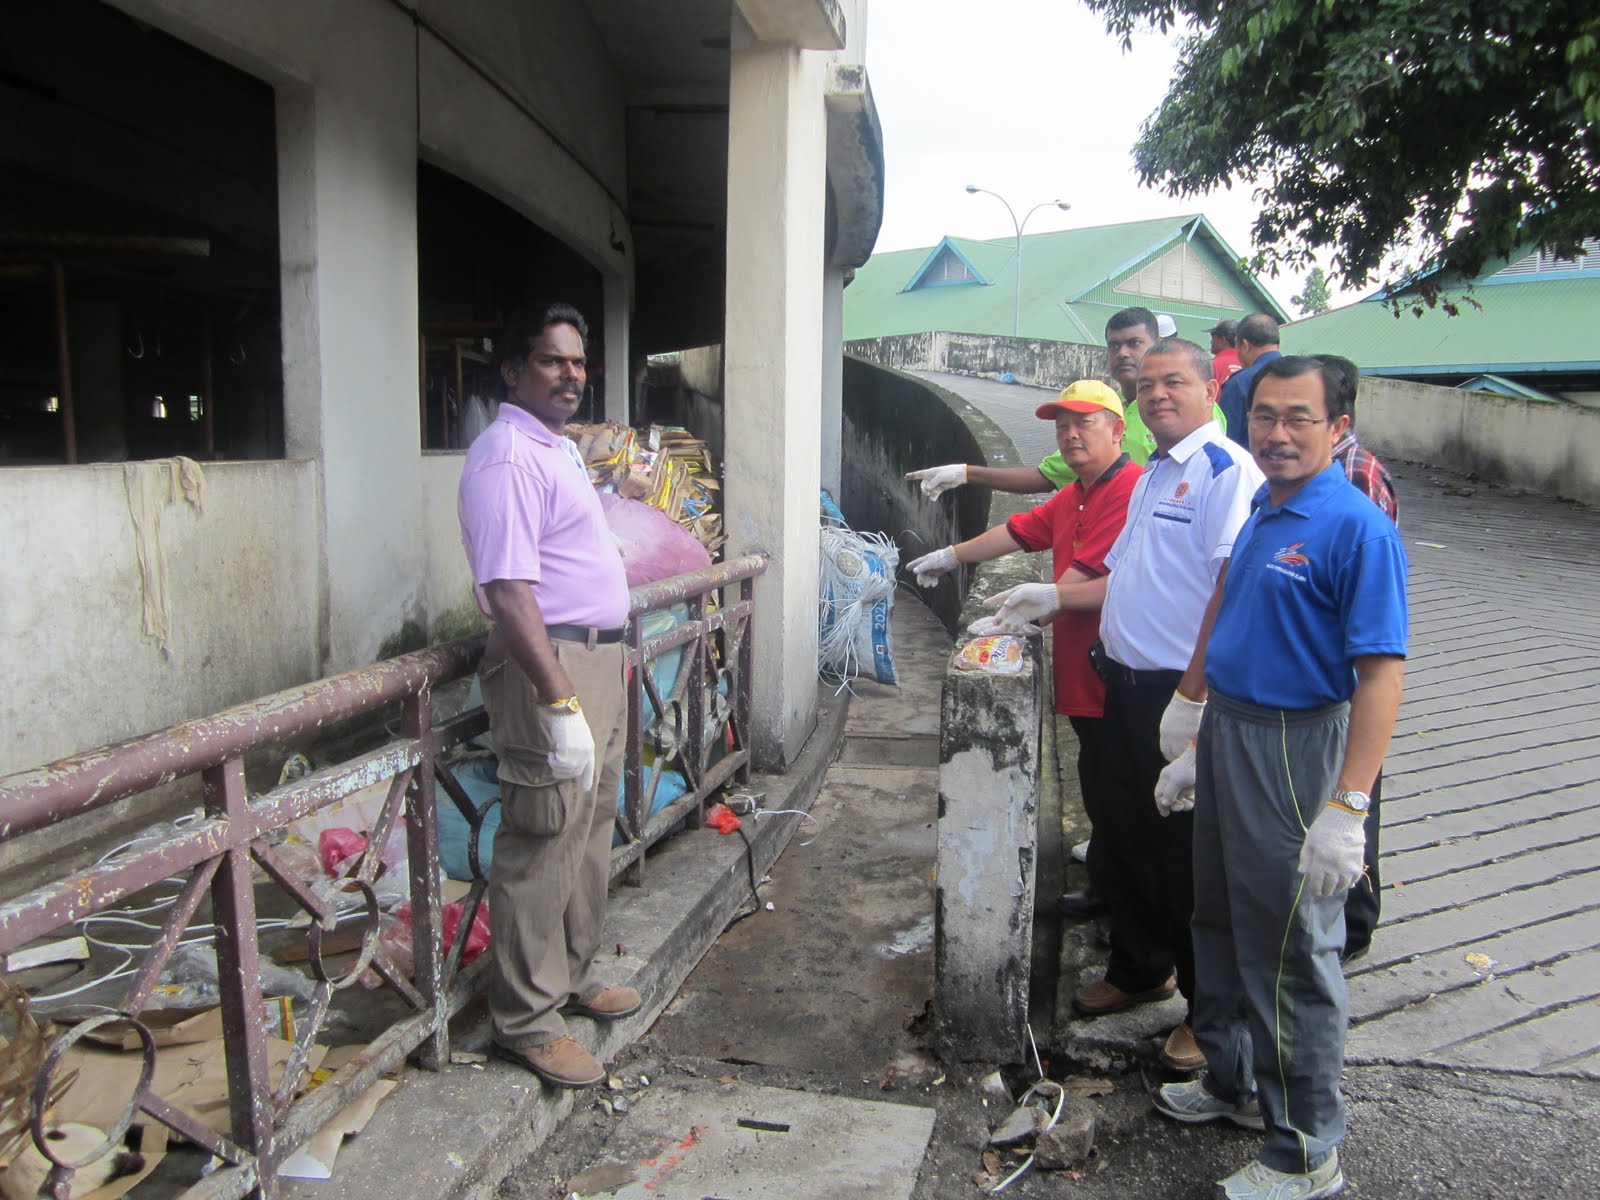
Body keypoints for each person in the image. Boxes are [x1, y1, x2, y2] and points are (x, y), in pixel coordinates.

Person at [1151, 355, 1407, 1200]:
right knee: (1218, 917)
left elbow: (1380, 673)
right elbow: (1235, 604)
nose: (1278, 433)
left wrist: (1349, 805)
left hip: (1298, 750)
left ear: (1339, 430)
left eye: (1300, 417)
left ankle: (1306, 1150)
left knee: (1293, 948)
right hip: (1234, 732)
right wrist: (1199, 724)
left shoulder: (1355, 528)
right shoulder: (1268, 501)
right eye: (1264, 415)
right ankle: (1232, 1079)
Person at [979, 339, 1264, 1072]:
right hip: (1123, 686)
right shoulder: (1153, 475)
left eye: (1176, 381)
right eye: (1148, 384)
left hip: (1176, 695)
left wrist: (1194, 696)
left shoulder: (1223, 472)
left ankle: (1210, 1017)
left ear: (1210, 390)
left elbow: (1231, 586)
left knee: (1187, 860)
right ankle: (1142, 967)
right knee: (1127, 838)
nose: (1159, 393)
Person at [457, 302, 640, 1089]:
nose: (570, 375)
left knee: (590, 827)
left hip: (596, 659)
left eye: (577, 361)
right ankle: (525, 1020)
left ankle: (565, 978)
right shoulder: (506, 456)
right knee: (543, 834)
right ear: (512, 371)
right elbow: (507, 589)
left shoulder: (554, 448)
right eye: (551, 361)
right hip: (550, 666)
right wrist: (559, 700)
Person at [904, 380, 1142, 921]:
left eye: (1085, 423)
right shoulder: (1076, 492)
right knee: (1098, 781)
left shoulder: (1127, 489)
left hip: (1117, 669)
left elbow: (1085, 575)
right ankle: (1108, 882)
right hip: (1083, 668)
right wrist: (948, 555)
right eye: (1062, 427)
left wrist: (1024, 612)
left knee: (1120, 787)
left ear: (1118, 429)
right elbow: (1017, 532)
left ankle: (1124, 906)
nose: (1072, 435)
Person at [906, 308, 1226, 497]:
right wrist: (965, 473)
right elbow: (1048, 476)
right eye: (1114, 346)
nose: (1123, 353)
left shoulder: (1192, 410)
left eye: (1134, 343)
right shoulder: (1109, 411)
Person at [1315, 356, 1398, 962]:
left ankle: (1356, 922)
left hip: (1347, 668)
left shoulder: (1356, 476)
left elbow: (1358, 578)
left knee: (1354, 791)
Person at [1217, 314, 1281, 449]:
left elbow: (1227, 440)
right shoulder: (1303, 377)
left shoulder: (1239, 383)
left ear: (1244, 346)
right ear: (1278, 344)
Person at [1207, 320, 1242, 387]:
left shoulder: (1212, 364)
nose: (1211, 342)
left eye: (1213, 338)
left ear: (1223, 340)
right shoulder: (1248, 364)